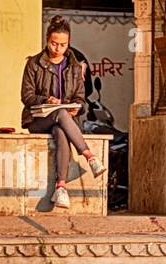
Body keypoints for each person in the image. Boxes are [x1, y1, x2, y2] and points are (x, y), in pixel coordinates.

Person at [21, 15, 104, 210]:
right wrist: (45, 100)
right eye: (54, 43)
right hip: (38, 119)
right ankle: (89, 156)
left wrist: (77, 106)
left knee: (60, 130)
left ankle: (61, 188)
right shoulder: (34, 63)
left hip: (64, 119)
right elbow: (26, 95)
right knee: (59, 115)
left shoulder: (74, 66)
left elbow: (80, 97)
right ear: (47, 40)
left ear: (69, 43)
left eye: (63, 44)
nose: (58, 48)